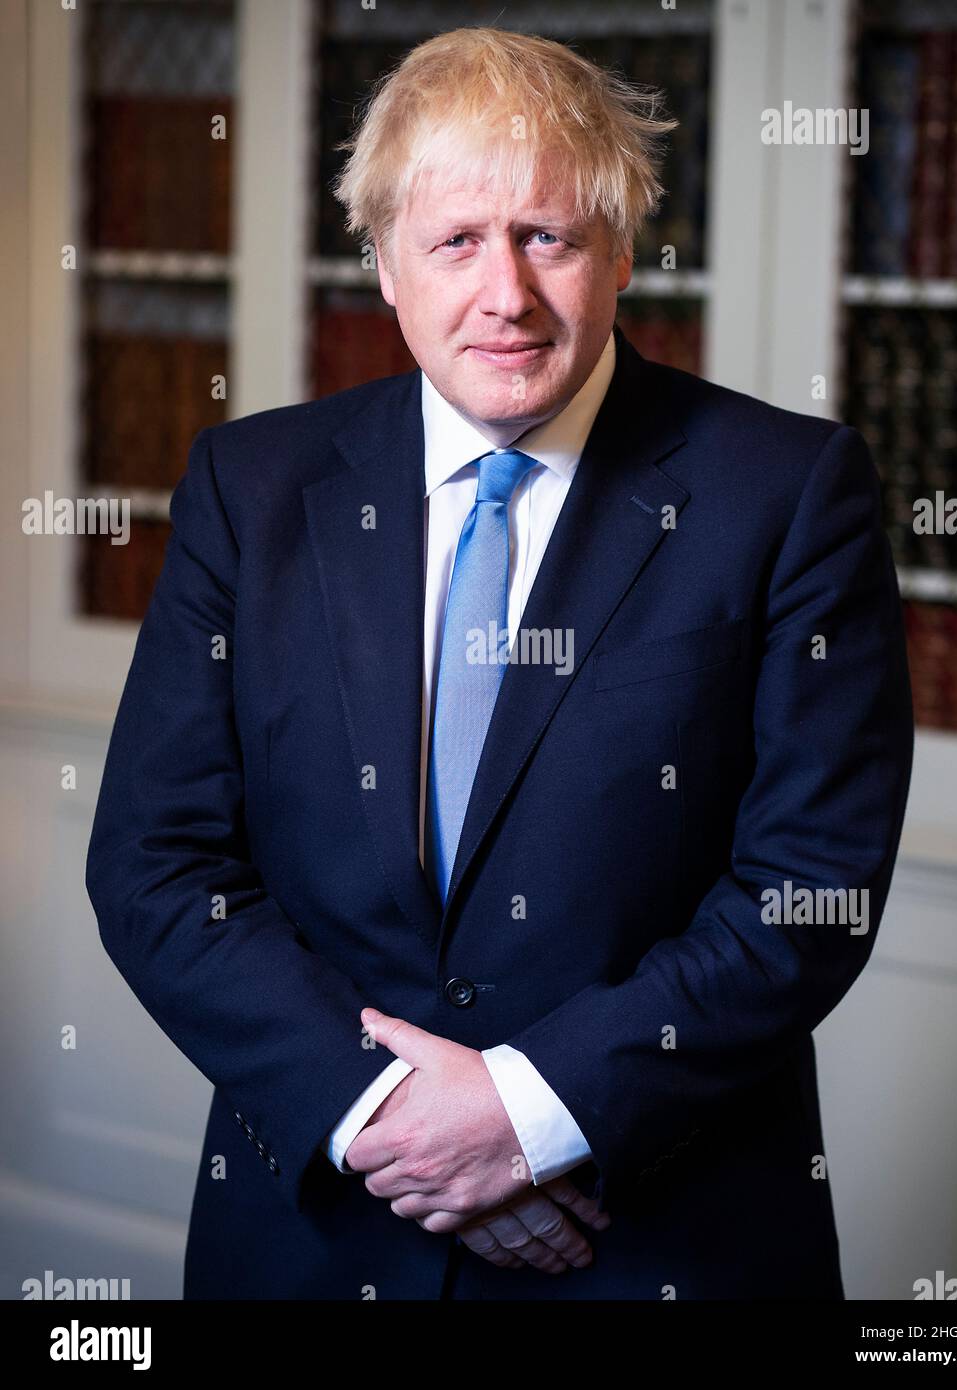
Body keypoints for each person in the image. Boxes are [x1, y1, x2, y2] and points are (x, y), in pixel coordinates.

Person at [86, 27, 914, 1300]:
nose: (505, 295)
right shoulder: (251, 489)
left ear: (623, 251)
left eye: (549, 236)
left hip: (647, 1238)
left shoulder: (786, 492)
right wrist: (389, 1121)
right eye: (456, 240)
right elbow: (155, 862)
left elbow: (808, 887)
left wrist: (526, 1116)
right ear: (382, 263)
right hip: (314, 1231)